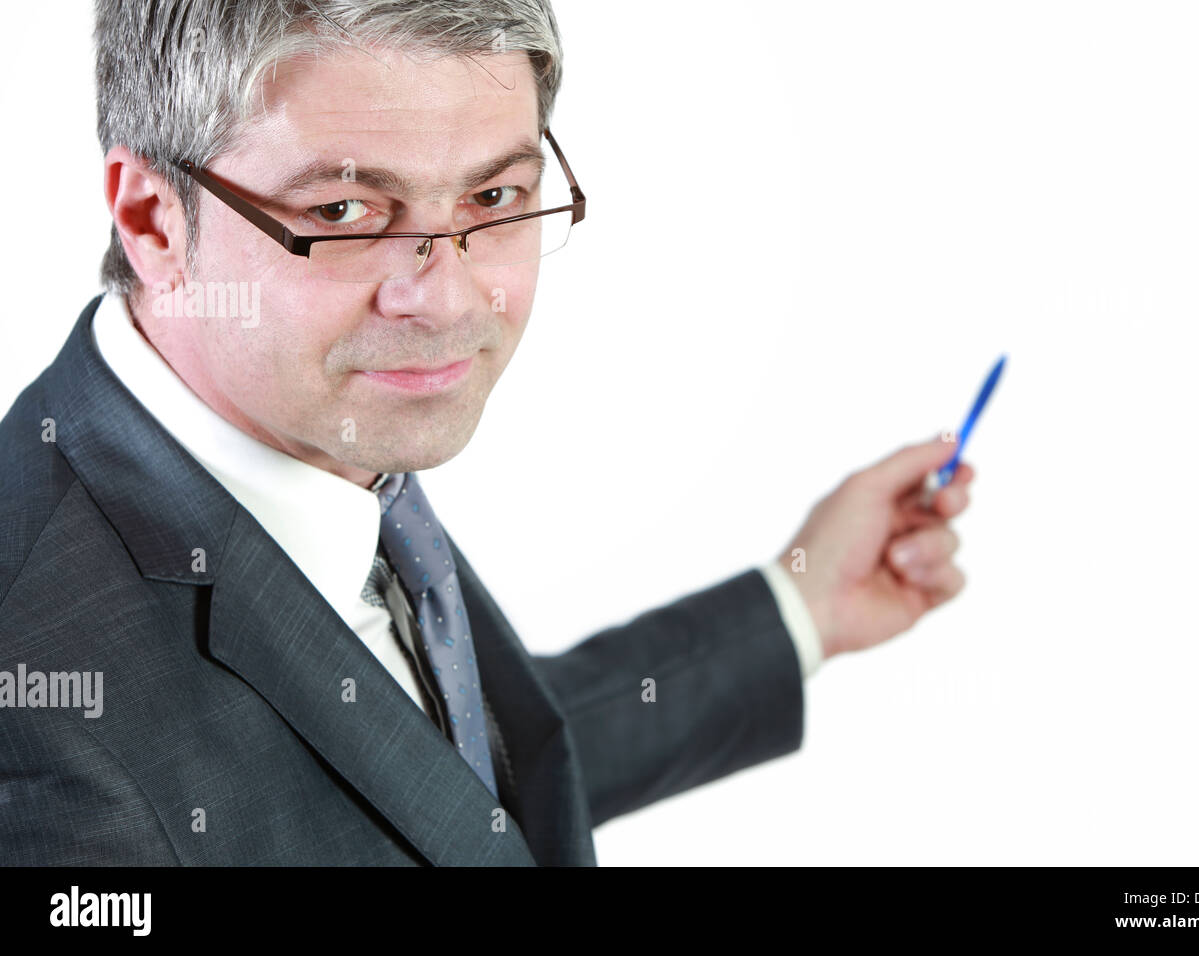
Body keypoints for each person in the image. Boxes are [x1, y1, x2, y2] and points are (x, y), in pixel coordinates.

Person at [0, 0, 974, 865]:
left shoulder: (287, 446)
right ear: (153, 218)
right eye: (344, 210)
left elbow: (429, 778)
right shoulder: (38, 735)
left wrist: (798, 607)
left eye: (493, 198)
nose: (447, 297)